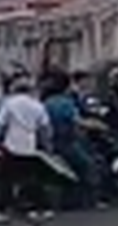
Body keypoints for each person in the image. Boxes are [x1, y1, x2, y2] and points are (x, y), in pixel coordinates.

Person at [0, 75, 53, 224]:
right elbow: (45, 129)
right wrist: (47, 147)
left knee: (6, 179)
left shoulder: (9, 103)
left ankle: (0, 210)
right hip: (29, 146)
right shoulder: (37, 105)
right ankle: (40, 208)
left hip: (12, 146)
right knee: (31, 178)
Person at [41, 70, 100, 210]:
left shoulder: (47, 102)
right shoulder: (65, 103)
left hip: (51, 142)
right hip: (66, 142)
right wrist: (96, 125)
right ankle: (87, 201)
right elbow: (77, 121)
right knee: (88, 166)